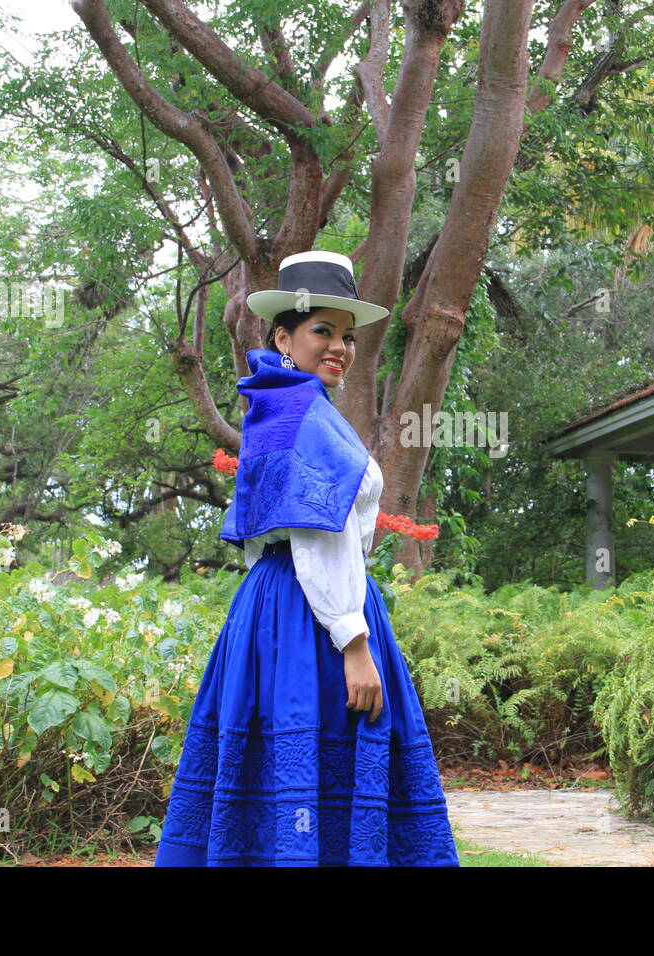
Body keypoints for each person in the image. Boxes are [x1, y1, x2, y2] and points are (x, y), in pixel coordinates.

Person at [153, 250, 460, 866]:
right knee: (326, 754)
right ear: (282, 336)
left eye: (347, 335)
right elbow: (316, 540)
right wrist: (353, 644)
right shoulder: (297, 413)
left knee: (285, 772)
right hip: (316, 615)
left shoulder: (284, 405)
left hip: (280, 608)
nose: (341, 346)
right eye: (323, 330)